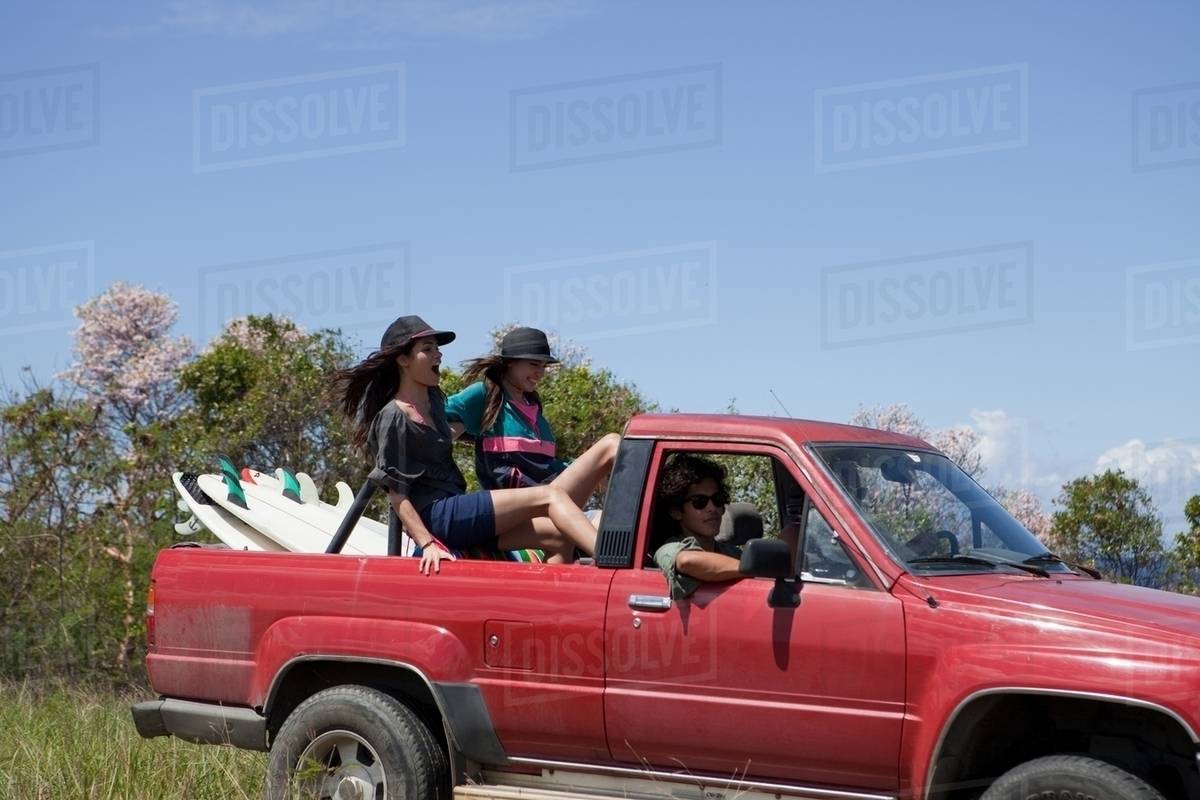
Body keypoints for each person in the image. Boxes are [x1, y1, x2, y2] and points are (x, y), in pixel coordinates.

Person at [334, 315, 598, 575]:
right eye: (428, 350)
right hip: (438, 515)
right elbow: (397, 494)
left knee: (556, 536)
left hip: (458, 510)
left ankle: (548, 611)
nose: (438, 355)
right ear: (403, 360)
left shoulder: (434, 402)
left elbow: (453, 433)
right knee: (551, 495)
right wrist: (427, 543)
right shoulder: (394, 416)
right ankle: (618, 562)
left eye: (438, 349)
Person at [445, 326, 619, 509]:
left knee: (603, 520)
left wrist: (596, 473)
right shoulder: (485, 395)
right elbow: (430, 421)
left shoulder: (535, 410)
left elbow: (548, 467)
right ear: (511, 362)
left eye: (543, 367)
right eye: (534, 364)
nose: (541, 373)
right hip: (512, 507)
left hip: (549, 499)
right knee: (611, 443)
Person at [652, 454, 745, 600]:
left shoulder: (733, 554)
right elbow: (687, 561)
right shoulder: (668, 549)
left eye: (717, 499)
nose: (712, 508)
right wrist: (751, 568)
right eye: (699, 502)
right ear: (676, 511)